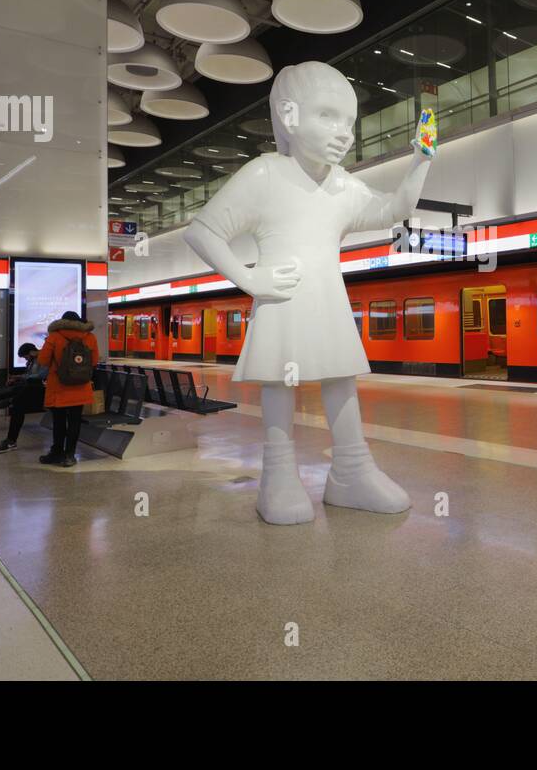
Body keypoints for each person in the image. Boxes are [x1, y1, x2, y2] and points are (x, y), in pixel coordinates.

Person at [184, 61, 433, 524]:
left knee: (340, 376)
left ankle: (351, 470)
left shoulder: (342, 184)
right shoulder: (264, 174)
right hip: (282, 296)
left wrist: (419, 163)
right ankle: (278, 475)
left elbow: (391, 209)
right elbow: (203, 232)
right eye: (329, 117)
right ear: (290, 115)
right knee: (281, 380)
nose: (344, 134)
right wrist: (250, 278)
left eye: (349, 123)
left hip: (326, 296)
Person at [35, 311, 99, 467]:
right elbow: (94, 361)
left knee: (59, 422)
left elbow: (43, 360)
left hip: (59, 387)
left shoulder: (55, 336)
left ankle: (56, 452)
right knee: (75, 422)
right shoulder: (90, 337)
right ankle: (70, 455)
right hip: (81, 386)